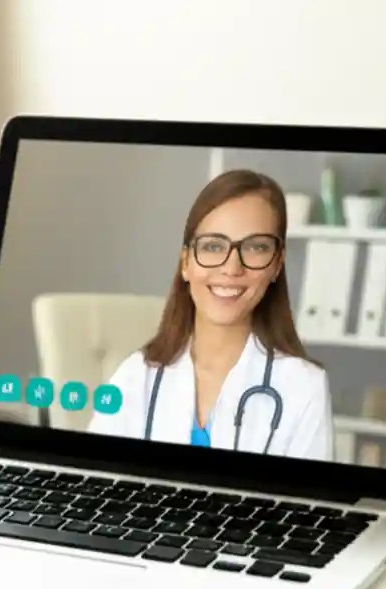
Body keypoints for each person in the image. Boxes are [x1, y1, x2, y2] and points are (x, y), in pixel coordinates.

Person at [88, 169, 333, 461]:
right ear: (186, 263)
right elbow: (94, 484)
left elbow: (305, 505)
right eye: (213, 246)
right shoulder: (135, 376)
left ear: (276, 266)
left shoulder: (304, 388)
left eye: (256, 247)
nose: (231, 268)